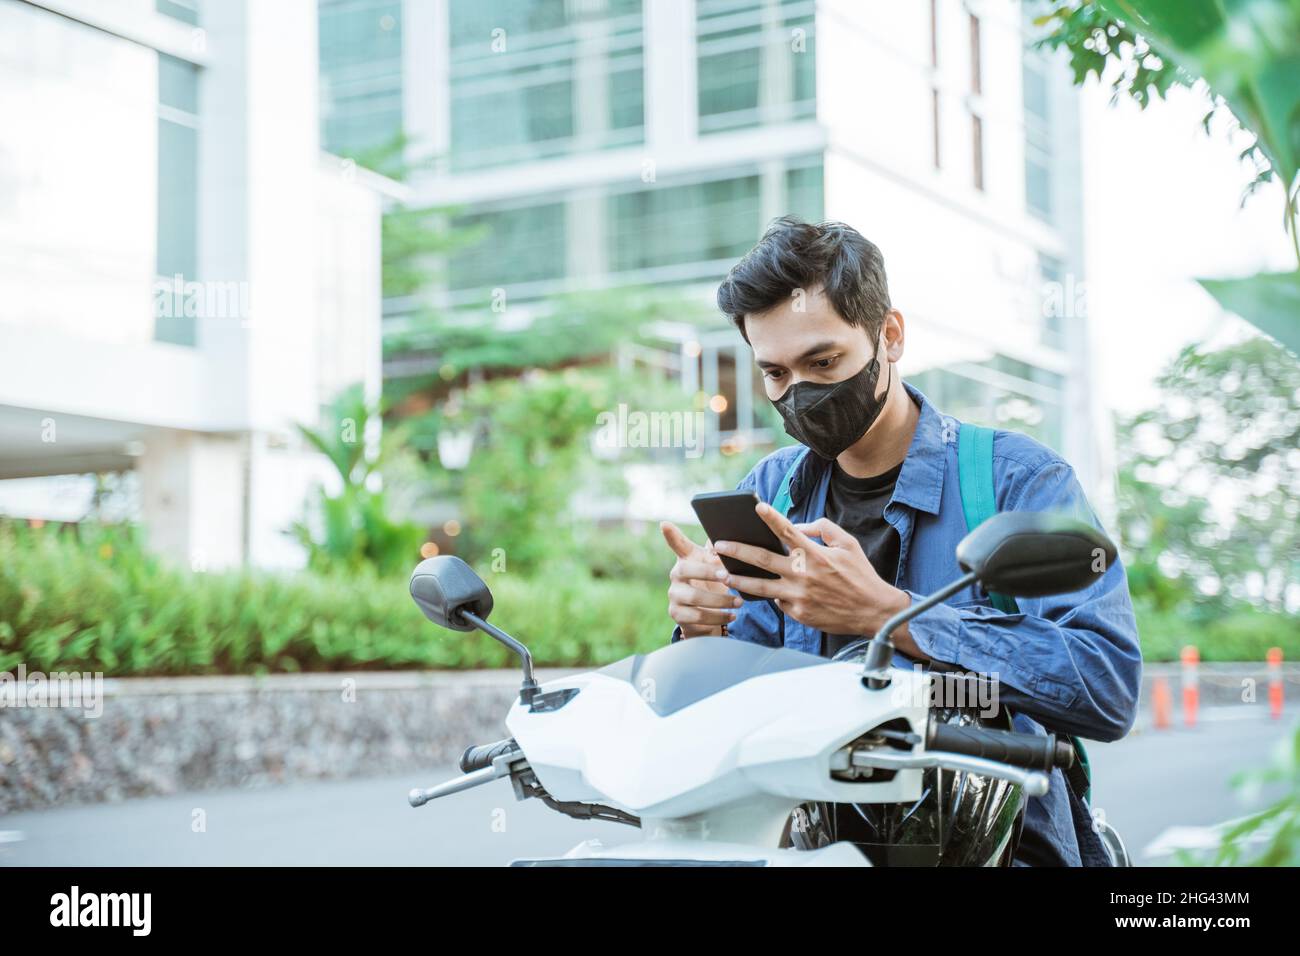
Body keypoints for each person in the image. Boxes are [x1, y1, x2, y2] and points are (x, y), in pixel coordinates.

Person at [659, 217, 1141, 866]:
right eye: (775, 374)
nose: (801, 394)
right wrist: (701, 633)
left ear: (889, 336)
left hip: (997, 846)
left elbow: (1107, 687)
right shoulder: (769, 492)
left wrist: (889, 615)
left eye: (823, 361)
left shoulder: (1017, 479)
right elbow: (731, 704)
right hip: (816, 849)